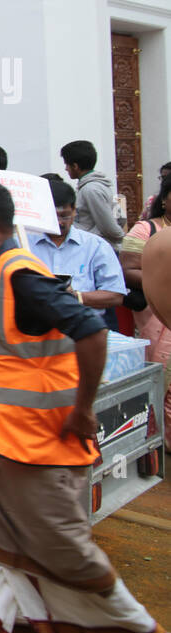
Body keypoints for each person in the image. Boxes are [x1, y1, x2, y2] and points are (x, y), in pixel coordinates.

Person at [0, 180, 164, 633]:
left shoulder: (21, 278)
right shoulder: (0, 276)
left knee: (70, 565)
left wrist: (84, 408)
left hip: (37, 457)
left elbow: (91, 329)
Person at [120, 173, 171, 444]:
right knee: (161, 371)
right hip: (156, 311)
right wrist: (163, 281)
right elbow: (128, 270)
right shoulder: (145, 230)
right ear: (164, 199)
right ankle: (158, 438)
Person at [29, 179, 125, 310]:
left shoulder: (96, 246)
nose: (60, 223)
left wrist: (76, 297)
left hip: (84, 327)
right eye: (53, 217)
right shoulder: (23, 244)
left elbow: (115, 295)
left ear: (74, 210)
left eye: (64, 216)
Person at [61, 140, 123, 248]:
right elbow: (119, 217)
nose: (66, 168)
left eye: (67, 164)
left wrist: (122, 238)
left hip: (96, 248)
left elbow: (108, 226)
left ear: (75, 166)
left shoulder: (91, 190)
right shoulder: (95, 185)